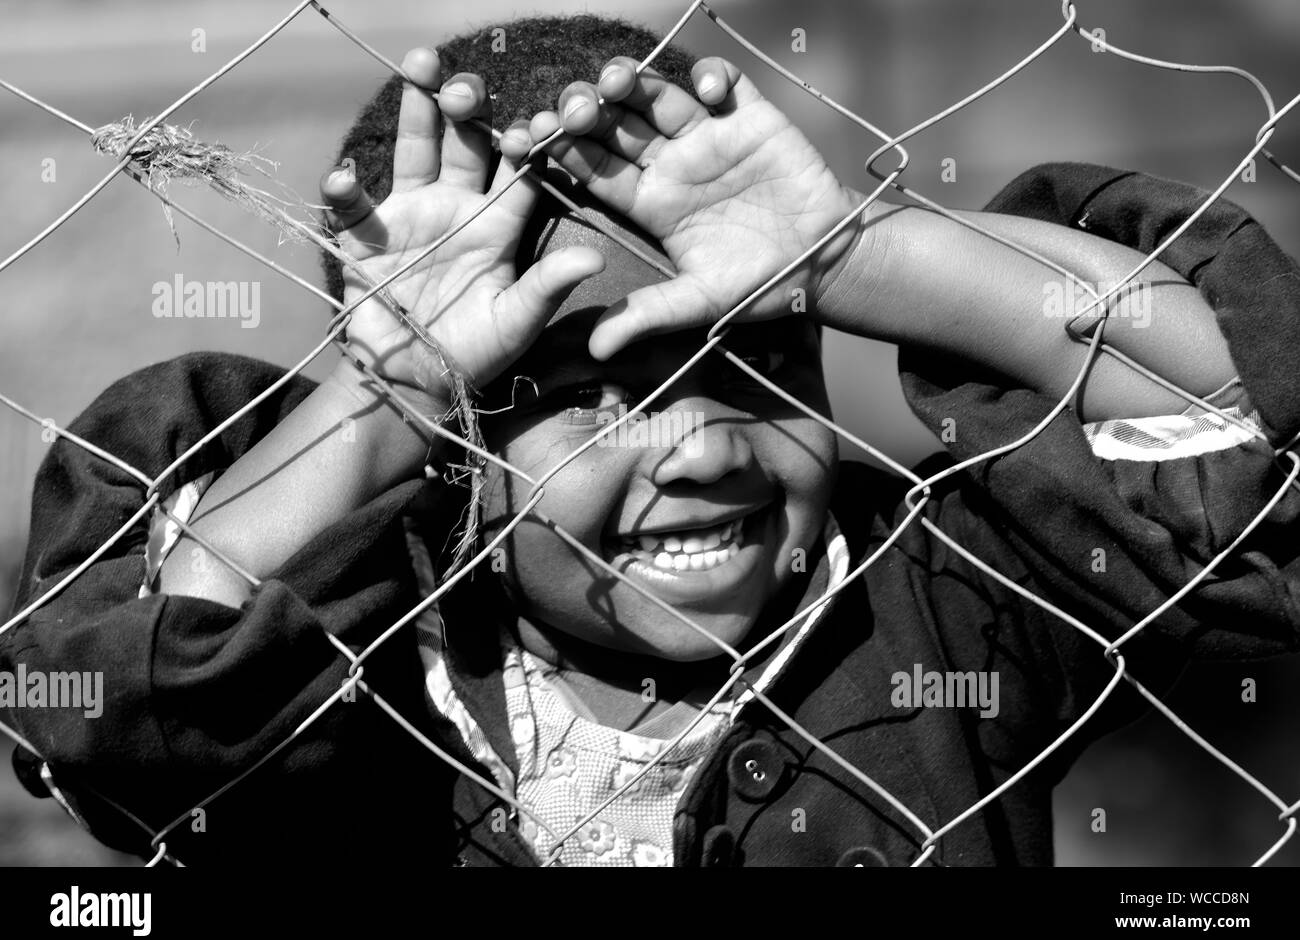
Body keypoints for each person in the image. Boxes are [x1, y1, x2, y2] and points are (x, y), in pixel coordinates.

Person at [6, 14, 1299, 867]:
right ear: (449, 453)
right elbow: (125, 715)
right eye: (592, 392)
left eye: (758, 360)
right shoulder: (365, 663)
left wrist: (861, 253)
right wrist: (389, 394)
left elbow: (1255, 441)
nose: (703, 446)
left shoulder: (947, 594)